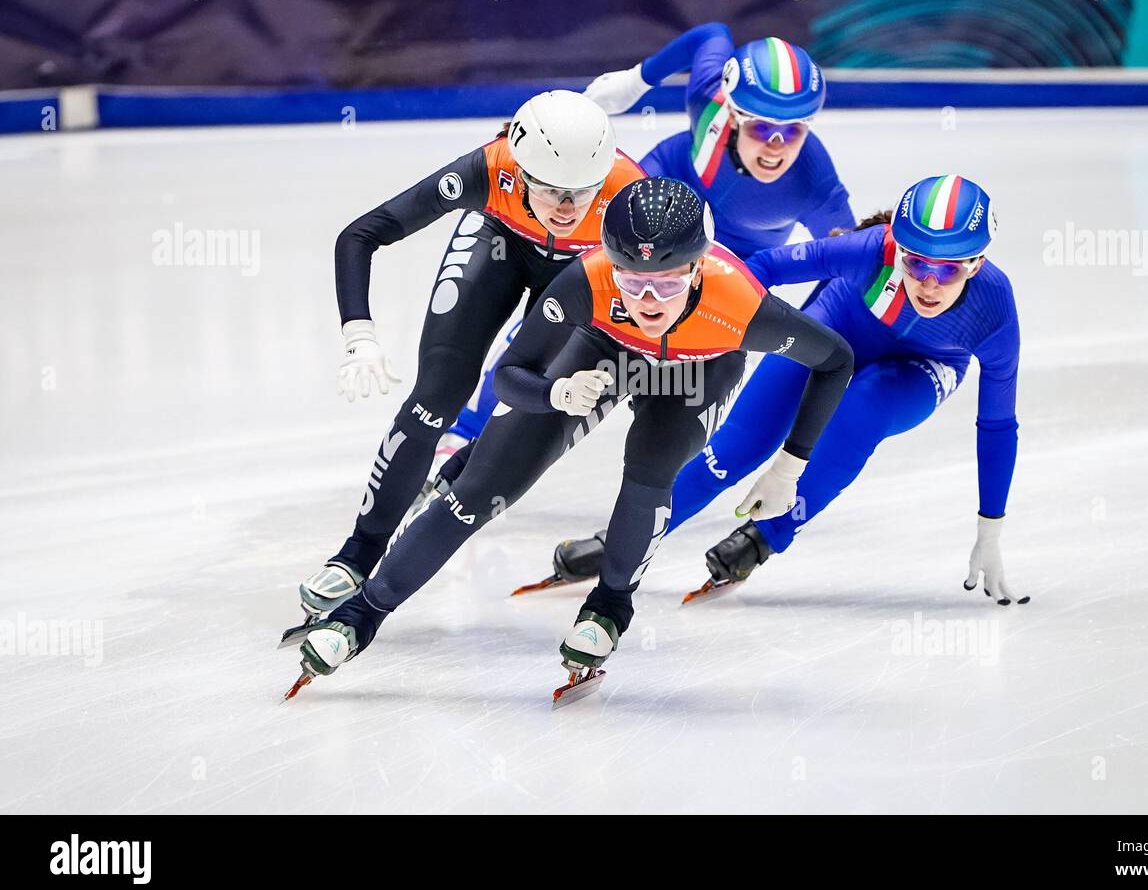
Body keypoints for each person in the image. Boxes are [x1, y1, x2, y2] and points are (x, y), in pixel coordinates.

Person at [284, 178, 854, 699]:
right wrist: (553, 396)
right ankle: (363, 613)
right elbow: (510, 373)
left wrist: (789, 466)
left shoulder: (743, 305)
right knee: (478, 491)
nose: (648, 301)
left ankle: (609, 604)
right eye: (632, 281)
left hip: (699, 369)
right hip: (602, 351)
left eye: (667, 283)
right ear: (611, 263)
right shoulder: (586, 280)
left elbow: (836, 360)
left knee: (650, 471)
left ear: (699, 269)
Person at [549, 175, 1025, 605]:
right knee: (738, 447)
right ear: (895, 247)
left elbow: (998, 424)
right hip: (840, 328)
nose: (927, 282)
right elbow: (760, 270)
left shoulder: (994, 309)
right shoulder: (868, 251)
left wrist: (992, 529)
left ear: (977, 263)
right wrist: (688, 320)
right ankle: (625, 540)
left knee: (867, 407)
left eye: (948, 270)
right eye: (915, 261)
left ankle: (768, 535)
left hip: (924, 366)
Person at [293, 91, 644, 626]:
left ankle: (454, 471)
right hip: (498, 243)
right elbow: (360, 235)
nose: (568, 209)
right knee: (436, 397)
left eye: (582, 193)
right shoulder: (488, 168)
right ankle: (359, 552)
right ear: (521, 170)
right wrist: (358, 334)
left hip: (577, 274)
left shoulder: (628, 195)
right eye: (552, 192)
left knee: (527, 404)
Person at [438, 24, 854, 452]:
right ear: (731, 111)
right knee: (565, 303)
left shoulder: (815, 183)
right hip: (655, 197)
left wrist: (801, 329)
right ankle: (470, 428)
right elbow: (710, 34)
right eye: (761, 129)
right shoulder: (707, 93)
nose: (776, 146)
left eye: (795, 130)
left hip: (730, 261)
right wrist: (639, 78)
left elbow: (846, 264)